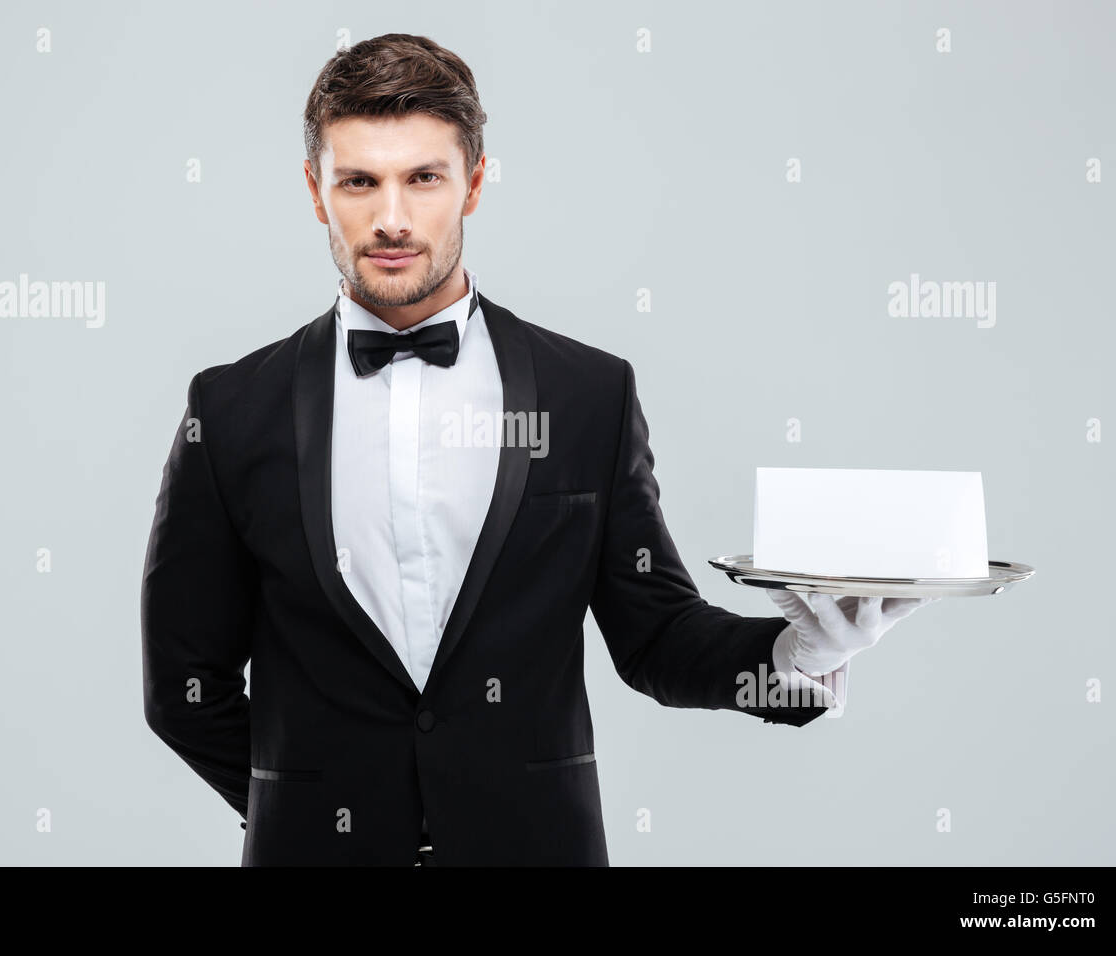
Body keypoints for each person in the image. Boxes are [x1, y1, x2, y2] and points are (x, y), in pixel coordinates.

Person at [140, 33, 933, 867]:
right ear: (315, 191)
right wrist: (313, 812)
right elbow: (183, 692)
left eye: (425, 178)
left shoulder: (586, 394)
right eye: (359, 181)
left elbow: (656, 638)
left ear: (474, 183)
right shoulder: (229, 409)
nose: (392, 218)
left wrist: (793, 659)